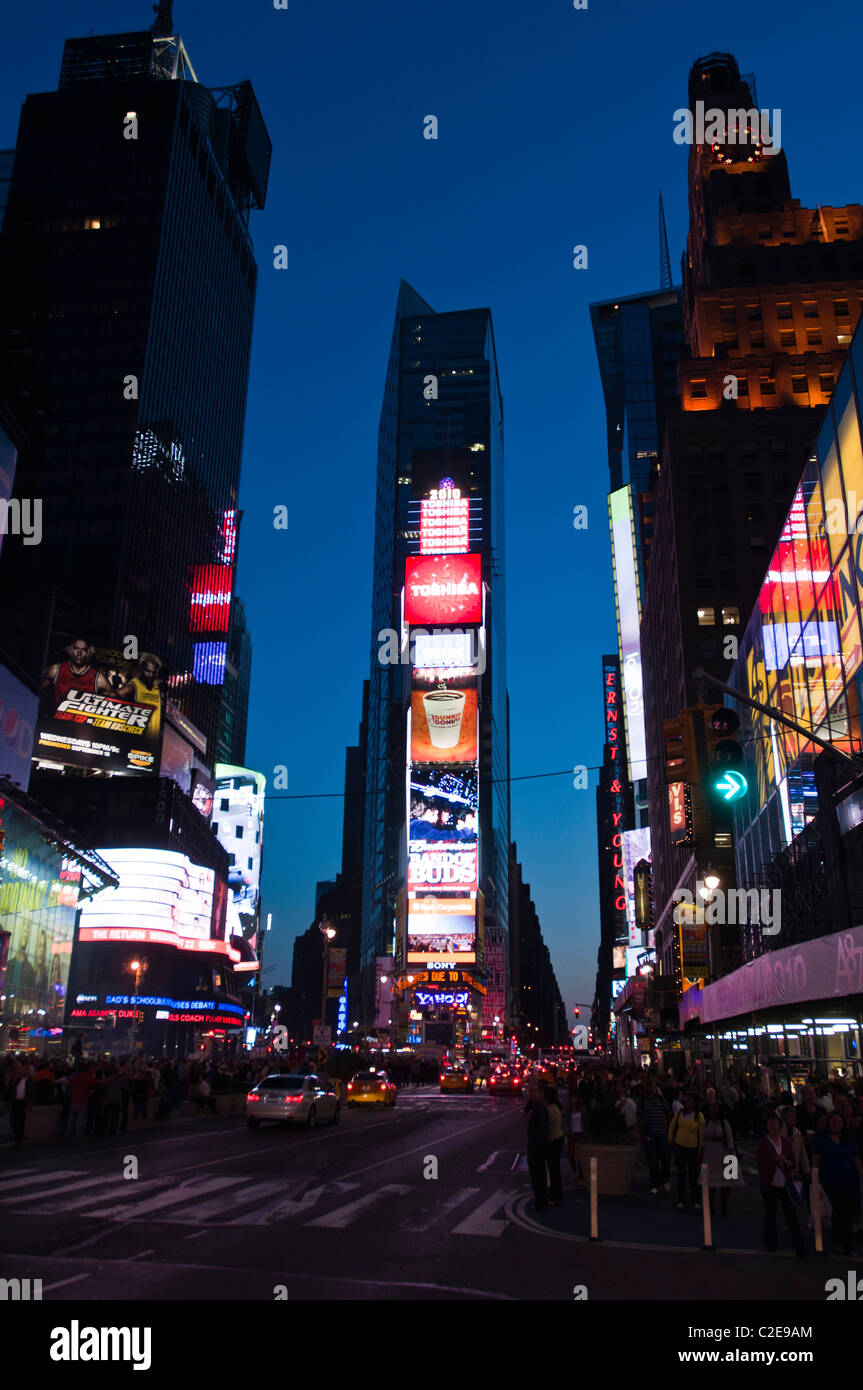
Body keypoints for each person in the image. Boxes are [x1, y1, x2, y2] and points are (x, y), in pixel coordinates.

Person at [811, 1111, 863, 1257]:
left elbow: (856, 1159)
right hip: (830, 1180)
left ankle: (843, 1242)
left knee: (847, 1211)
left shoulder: (848, 1139)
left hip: (848, 1180)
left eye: (839, 1122)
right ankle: (843, 1242)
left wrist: (861, 1173)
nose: (836, 1125)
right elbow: (815, 1159)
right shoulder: (821, 1139)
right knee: (840, 1210)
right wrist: (815, 1178)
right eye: (833, 1121)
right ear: (828, 1123)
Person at [756, 1112, 806, 1257]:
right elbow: (760, 1163)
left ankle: (799, 1246)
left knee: (791, 1215)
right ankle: (770, 1242)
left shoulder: (785, 1142)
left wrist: (789, 1163)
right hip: (769, 1182)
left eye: (775, 1123)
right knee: (770, 1214)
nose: (773, 1126)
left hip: (785, 1182)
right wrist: (775, 1160)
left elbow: (792, 1160)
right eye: (770, 1124)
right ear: (766, 1127)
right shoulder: (763, 1143)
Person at [703, 1101, 742, 1217]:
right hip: (710, 1154)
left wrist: (731, 1160)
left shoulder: (725, 1124)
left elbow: (730, 1142)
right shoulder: (708, 1123)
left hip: (723, 1153)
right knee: (710, 1181)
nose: (711, 1109)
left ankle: (724, 1206)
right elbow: (703, 1140)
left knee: (725, 1182)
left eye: (714, 1107)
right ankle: (711, 1206)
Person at [669, 1092, 704, 1209]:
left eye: (690, 1099)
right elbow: (672, 1125)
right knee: (681, 1173)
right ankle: (682, 1199)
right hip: (680, 1145)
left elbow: (702, 1136)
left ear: (694, 1102)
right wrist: (670, 1139)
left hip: (693, 1147)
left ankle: (695, 1200)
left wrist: (700, 1151)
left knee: (693, 1174)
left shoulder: (699, 1116)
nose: (687, 1101)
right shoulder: (680, 1113)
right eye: (686, 1099)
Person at [639, 1079, 672, 1194]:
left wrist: (668, 1129)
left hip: (662, 1132)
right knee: (652, 1160)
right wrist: (642, 1134)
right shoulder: (643, 1101)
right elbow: (640, 1118)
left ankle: (664, 1179)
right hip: (650, 1134)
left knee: (665, 1158)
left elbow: (668, 1113)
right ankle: (655, 1183)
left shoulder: (661, 1100)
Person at [525, 1077, 550, 1212]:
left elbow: (541, 1129)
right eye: (530, 1092)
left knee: (538, 1177)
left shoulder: (540, 1107)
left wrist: (538, 1147)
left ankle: (541, 1202)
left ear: (540, 1093)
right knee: (537, 1177)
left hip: (537, 1148)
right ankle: (541, 1200)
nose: (531, 1094)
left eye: (533, 1092)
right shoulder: (536, 1106)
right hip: (535, 1146)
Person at [544, 1083, 565, 1207]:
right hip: (558, 1139)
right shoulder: (555, 1108)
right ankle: (556, 1194)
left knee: (553, 1170)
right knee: (554, 1169)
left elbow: (545, 1128)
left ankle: (554, 1195)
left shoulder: (549, 1110)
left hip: (553, 1141)